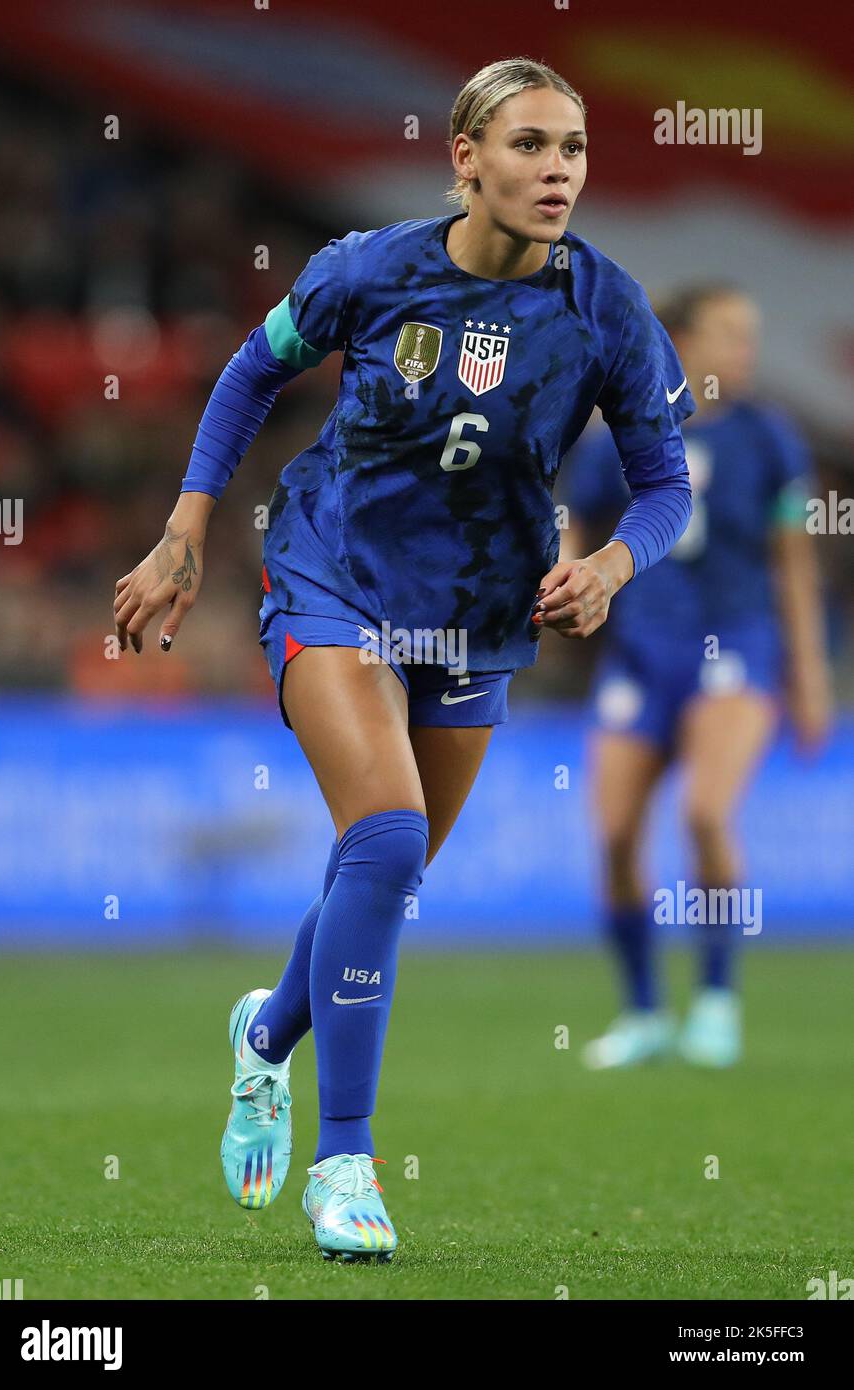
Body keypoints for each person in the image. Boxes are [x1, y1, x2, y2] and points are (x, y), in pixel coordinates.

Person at [113, 57, 693, 1263]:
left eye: (573, 150)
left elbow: (661, 484)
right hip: (333, 571)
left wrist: (611, 569)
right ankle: (348, 1160)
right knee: (382, 834)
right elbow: (249, 372)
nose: (557, 171)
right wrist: (186, 523)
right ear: (465, 158)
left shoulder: (607, 309)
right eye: (530, 145)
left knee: (385, 866)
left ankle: (265, 1036)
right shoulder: (366, 269)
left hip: (481, 613)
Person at [562, 284, 832, 1071]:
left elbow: (791, 562)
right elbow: (576, 527)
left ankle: (715, 1000)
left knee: (707, 815)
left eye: (749, 337)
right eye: (727, 335)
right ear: (678, 340)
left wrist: (809, 672)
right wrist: (564, 582)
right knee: (613, 835)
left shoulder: (768, 437)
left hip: (738, 652)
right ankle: (643, 1010)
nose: (743, 353)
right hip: (642, 655)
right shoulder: (619, 434)